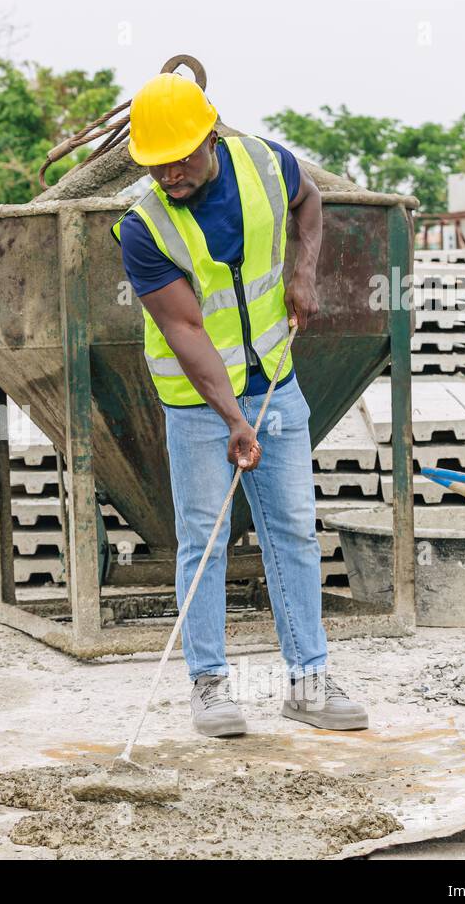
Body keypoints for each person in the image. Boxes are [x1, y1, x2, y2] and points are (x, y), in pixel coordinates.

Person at [112, 73, 368, 737]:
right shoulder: (143, 228)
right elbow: (187, 331)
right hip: (198, 406)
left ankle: (309, 684)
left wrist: (303, 273)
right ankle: (210, 687)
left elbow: (310, 199)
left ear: (212, 136)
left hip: (278, 385)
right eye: (155, 163)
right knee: (204, 540)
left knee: (294, 533)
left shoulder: (263, 162)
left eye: (181, 157)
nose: (169, 172)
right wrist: (231, 419)